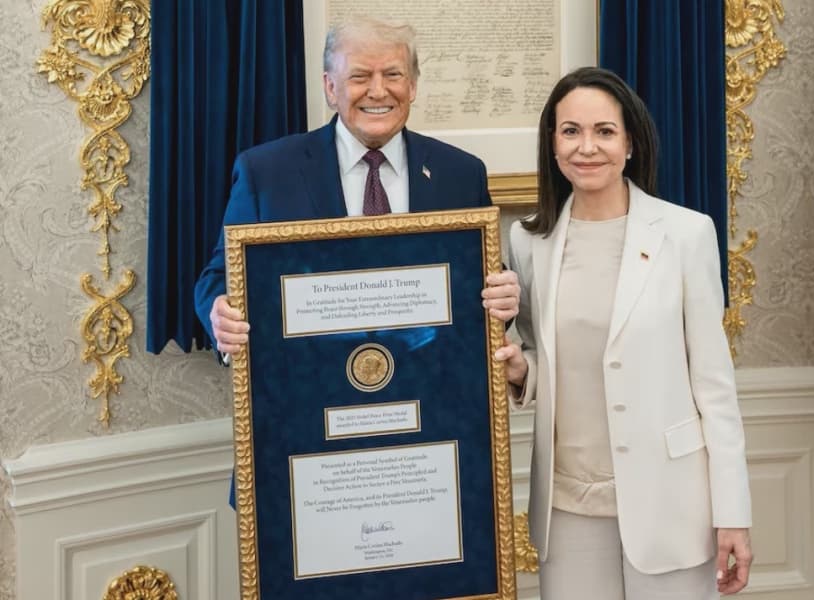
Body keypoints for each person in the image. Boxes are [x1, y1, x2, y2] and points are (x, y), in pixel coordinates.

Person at [493, 67, 753, 599]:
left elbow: (715, 387)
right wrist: (521, 370)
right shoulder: (527, 241)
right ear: (553, 143)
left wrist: (733, 513)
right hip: (566, 507)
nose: (587, 147)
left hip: (670, 502)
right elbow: (543, 355)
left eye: (605, 132)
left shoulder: (686, 233)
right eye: (571, 131)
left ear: (630, 142)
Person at [195, 17, 519, 353]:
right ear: (330, 87)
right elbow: (220, 277)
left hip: (430, 374)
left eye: (393, 75)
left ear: (412, 86)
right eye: (360, 76)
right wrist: (220, 314)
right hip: (309, 375)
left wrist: (504, 298)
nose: (378, 91)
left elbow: (482, 283)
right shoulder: (266, 173)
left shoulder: (461, 174)